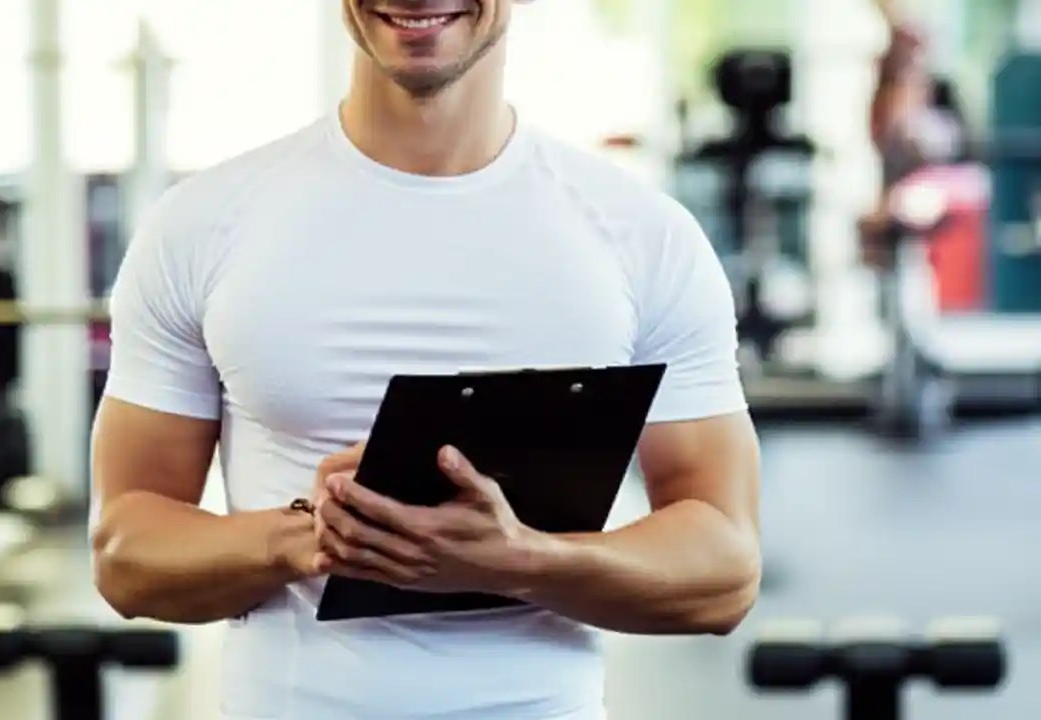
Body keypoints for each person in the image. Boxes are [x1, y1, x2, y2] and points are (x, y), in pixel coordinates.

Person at [89, 2, 762, 718]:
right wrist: (310, 536)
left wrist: (525, 560)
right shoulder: (200, 226)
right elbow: (127, 555)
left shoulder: (643, 237)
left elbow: (725, 570)